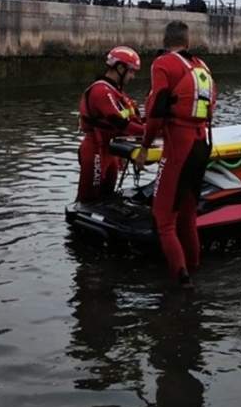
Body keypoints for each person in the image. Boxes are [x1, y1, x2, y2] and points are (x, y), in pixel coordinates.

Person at [135, 21, 216, 289]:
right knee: (188, 215)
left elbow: (157, 108)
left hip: (178, 144)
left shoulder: (163, 65)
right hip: (202, 142)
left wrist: (146, 145)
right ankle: (194, 268)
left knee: (164, 217)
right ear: (188, 42)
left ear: (164, 40)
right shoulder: (201, 66)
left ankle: (180, 280)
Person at [77, 46, 144, 203]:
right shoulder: (101, 91)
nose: (133, 76)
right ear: (120, 68)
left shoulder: (117, 93)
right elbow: (122, 124)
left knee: (107, 197)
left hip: (110, 150)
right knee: (88, 200)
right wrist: (151, 132)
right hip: (95, 150)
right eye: (131, 71)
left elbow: (135, 122)